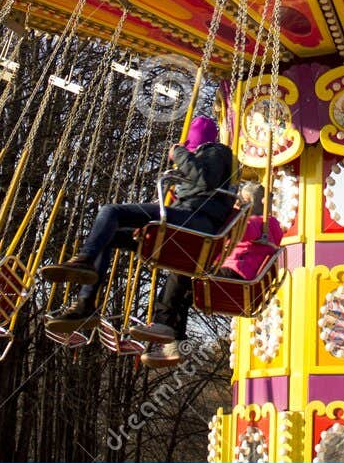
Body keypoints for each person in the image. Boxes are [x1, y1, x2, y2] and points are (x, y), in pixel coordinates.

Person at [44, 115, 235, 332]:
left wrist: (180, 153)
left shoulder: (217, 152)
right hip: (182, 221)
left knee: (111, 211)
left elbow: (204, 178)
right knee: (109, 236)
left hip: (194, 222)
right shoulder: (203, 163)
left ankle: (85, 259)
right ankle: (86, 303)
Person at [139, 181, 284, 368]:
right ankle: (175, 343)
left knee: (181, 273)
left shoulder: (264, 223)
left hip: (236, 275)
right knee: (182, 294)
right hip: (233, 274)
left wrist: (223, 215)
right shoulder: (262, 226)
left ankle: (162, 324)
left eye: (243, 202)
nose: (238, 206)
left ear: (252, 202)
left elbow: (239, 231)